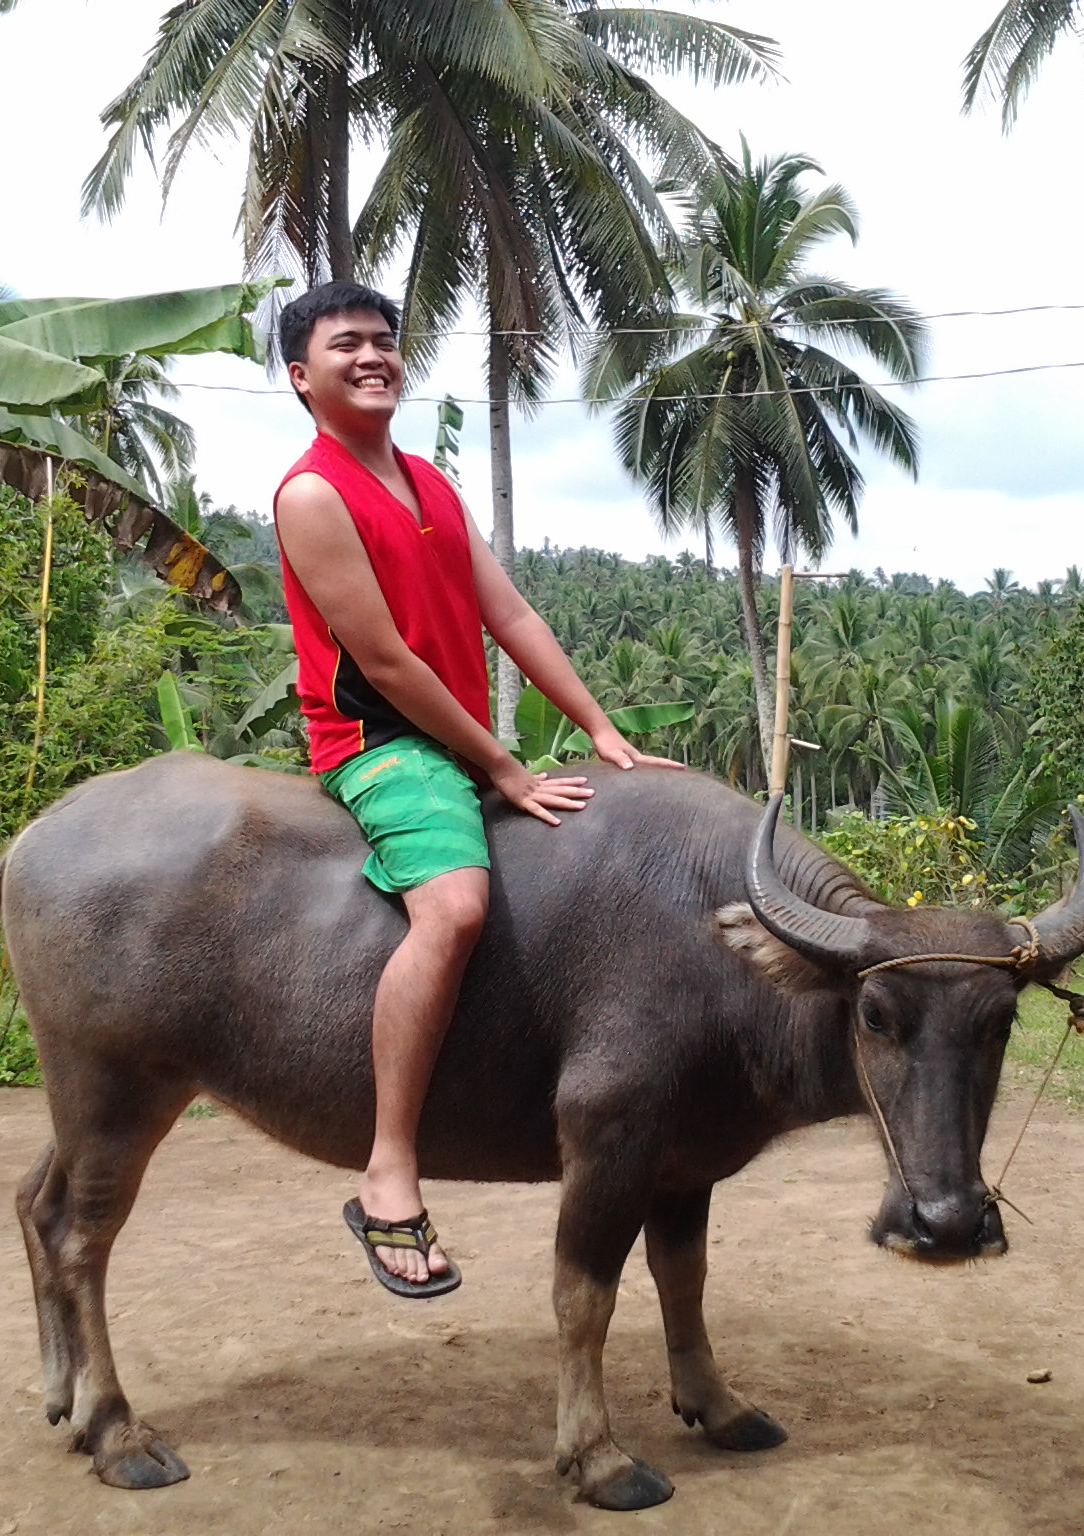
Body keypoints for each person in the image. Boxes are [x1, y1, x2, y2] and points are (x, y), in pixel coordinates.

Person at [271, 281, 680, 1299]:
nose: (371, 357)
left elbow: (514, 616)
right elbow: (390, 662)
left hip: (448, 737)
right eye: (343, 345)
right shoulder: (313, 494)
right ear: (299, 376)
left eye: (382, 341)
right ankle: (388, 1172)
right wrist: (502, 766)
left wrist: (598, 730)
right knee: (452, 908)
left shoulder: (430, 487)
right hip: (380, 740)